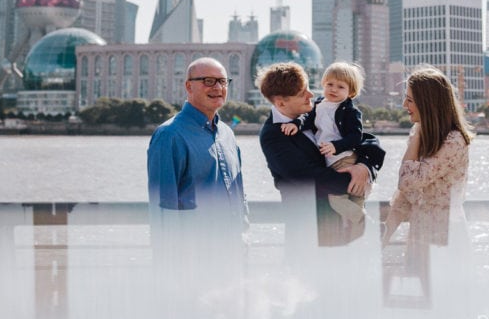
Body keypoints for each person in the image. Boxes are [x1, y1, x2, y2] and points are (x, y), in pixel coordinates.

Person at [259, 62, 384, 246]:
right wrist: (353, 180)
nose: (311, 94)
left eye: (309, 88)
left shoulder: (317, 114)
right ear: (281, 102)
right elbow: (308, 177)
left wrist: (364, 167)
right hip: (311, 234)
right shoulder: (273, 136)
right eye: (303, 93)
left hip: (343, 231)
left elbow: (366, 140)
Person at [382, 65, 473, 306]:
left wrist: (414, 139)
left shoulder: (454, 141)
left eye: (410, 100)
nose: (404, 106)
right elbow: (405, 194)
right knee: (420, 309)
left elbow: (408, 179)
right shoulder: (422, 134)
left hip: (445, 236)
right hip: (420, 236)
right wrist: (385, 236)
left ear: (428, 103)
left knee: (445, 306)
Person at [147, 57, 247, 238]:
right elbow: (163, 207)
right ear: (188, 86)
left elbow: (239, 192)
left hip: (231, 249)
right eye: (208, 81)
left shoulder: (227, 134)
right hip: (192, 254)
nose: (218, 88)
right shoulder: (170, 135)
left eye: (223, 81)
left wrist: (244, 235)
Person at [280, 62, 367, 234]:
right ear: (323, 84)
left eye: (340, 87)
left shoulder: (350, 111)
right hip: (329, 161)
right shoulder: (319, 104)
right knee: (346, 201)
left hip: (344, 158)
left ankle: (365, 223)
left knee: (341, 198)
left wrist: (336, 146)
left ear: (350, 92)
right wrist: (296, 124)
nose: (333, 89)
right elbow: (307, 119)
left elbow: (356, 137)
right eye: (330, 84)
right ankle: (357, 230)